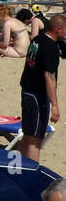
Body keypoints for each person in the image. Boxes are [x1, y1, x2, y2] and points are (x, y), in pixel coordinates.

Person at [16, 14, 65, 164]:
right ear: (57, 29)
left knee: (28, 134)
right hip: (37, 95)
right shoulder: (50, 48)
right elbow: (49, 77)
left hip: (27, 90)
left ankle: (15, 167)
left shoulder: (38, 39)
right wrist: (55, 105)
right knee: (35, 139)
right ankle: (32, 174)